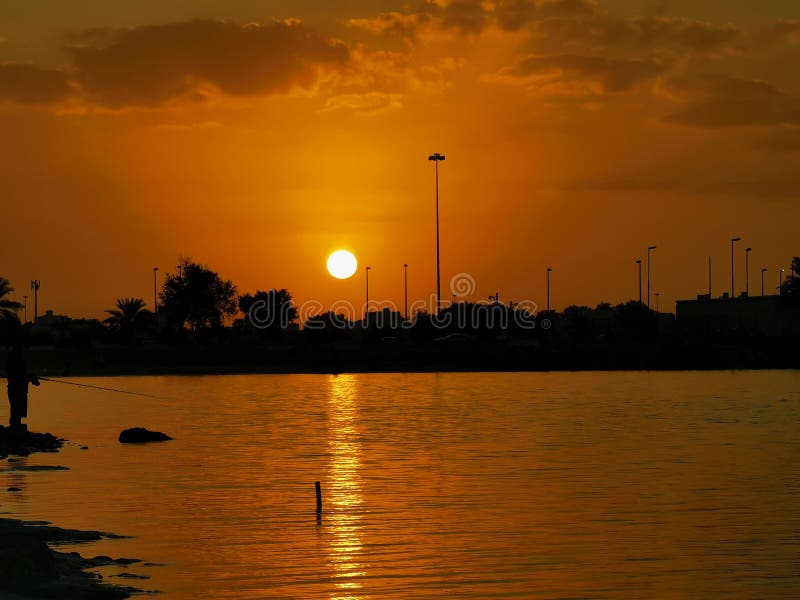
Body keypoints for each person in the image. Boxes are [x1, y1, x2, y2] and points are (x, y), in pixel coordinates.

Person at [6, 340, 39, 430]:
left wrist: (31, 378)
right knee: (16, 409)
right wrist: (32, 378)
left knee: (16, 410)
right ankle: (16, 429)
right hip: (17, 389)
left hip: (16, 388)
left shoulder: (13, 357)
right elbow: (19, 376)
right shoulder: (16, 358)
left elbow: (20, 375)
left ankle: (16, 428)